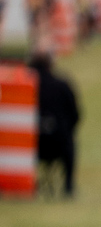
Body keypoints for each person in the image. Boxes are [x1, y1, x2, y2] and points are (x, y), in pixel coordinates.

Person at [27, 50, 80, 198]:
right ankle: (68, 185)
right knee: (71, 142)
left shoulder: (24, 88)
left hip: (29, 145)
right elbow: (75, 116)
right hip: (59, 145)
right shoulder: (62, 85)